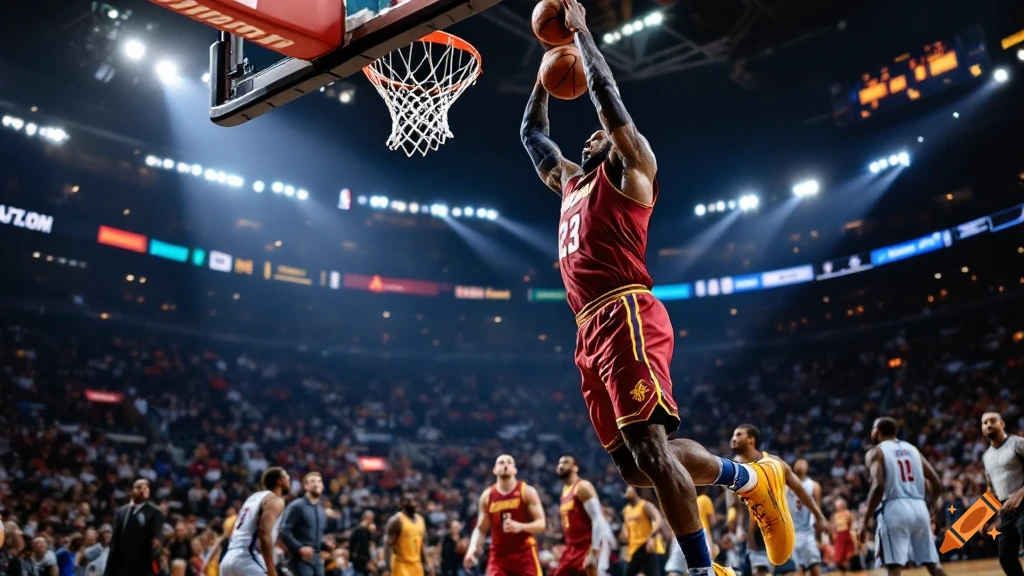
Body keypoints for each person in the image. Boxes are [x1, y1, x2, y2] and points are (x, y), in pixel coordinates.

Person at [519, 2, 791, 574]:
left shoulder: (633, 168)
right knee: (639, 468)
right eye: (589, 136)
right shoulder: (571, 183)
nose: (593, 135)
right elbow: (531, 135)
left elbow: (608, 98)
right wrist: (545, 74)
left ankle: (701, 569)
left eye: (601, 133)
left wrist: (582, 35)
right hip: (587, 328)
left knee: (650, 449)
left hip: (626, 313)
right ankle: (750, 477)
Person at [726, 426, 827, 576]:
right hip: (754, 535)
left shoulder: (774, 463)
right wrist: (738, 528)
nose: (733, 438)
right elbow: (736, 506)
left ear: (751, 440)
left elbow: (800, 491)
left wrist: (820, 517)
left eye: (738, 434)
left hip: (779, 528)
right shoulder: (733, 469)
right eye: (733, 435)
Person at [863, 417, 946, 576]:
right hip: (920, 508)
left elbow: (878, 486)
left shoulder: (876, 452)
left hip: (894, 508)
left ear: (876, 431)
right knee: (933, 565)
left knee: (894, 568)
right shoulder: (913, 449)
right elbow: (935, 481)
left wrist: (866, 517)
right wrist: (934, 510)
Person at [463, 455, 546, 576]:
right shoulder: (487, 496)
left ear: (514, 469)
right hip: (499, 555)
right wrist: (471, 550)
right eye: (501, 462)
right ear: (495, 469)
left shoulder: (527, 491)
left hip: (524, 553)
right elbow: (481, 529)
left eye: (509, 462)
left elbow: (541, 524)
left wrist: (520, 526)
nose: (505, 464)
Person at [220, 466, 289, 576]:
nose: (289, 478)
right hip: (247, 558)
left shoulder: (253, 498)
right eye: (286, 476)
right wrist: (271, 569)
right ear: (279, 481)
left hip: (228, 558)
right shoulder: (275, 501)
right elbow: (264, 533)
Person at [553, 455, 613, 576]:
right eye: (559, 463)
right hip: (571, 548)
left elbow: (598, 519)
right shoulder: (565, 490)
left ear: (575, 467)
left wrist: (594, 551)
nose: (560, 466)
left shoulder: (582, 487)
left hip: (587, 546)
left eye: (565, 463)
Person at [981, 412, 1024, 576]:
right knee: (1006, 558)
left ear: (1002, 424)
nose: (988, 425)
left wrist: (1021, 492)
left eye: (992, 421)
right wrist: (983, 518)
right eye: (984, 423)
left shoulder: (1017, 443)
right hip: (1006, 510)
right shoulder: (986, 456)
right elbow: (991, 490)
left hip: (1023, 504)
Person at [280, 472, 340, 576]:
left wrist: (325, 545)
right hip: (299, 559)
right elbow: (284, 530)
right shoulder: (297, 506)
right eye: (312, 481)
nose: (316, 484)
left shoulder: (321, 510)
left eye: (319, 481)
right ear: (306, 486)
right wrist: (299, 548)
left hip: (317, 560)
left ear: (322, 487)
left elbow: (314, 538)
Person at [104, 478, 165, 576]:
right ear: (131, 491)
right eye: (139, 487)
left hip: (142, 568)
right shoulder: (120, 512)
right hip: (120, 567)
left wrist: (157, 542)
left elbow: (157, 537)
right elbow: (115, 543)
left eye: (146, 487)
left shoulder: (155, 512)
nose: (143, 490)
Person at [666, 488, 715, 576]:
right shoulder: (704, 499)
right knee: (703, 570)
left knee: (675, 571)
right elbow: (713, 522)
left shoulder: (680, 500)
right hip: (700, 533)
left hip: (679, 535)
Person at [789, 460, 823, 576]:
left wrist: (819, 536)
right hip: (792, 533)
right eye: (797, 463)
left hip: (808, 532)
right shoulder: (786, 485)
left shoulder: (814, 486)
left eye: (803, 463)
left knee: (814, 568)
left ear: (808, 468)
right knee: (798, 570)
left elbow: (818, 510)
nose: (800, 465)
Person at [620, 487, 663, 576]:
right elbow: (626, 527)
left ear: (635, 492)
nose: (627, 495)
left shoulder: (645, 505)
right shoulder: (626, 510)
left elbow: (658, 519)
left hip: (646, 546)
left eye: (629, 492)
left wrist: (651, 536)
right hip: (633, 549)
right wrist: (624, 537)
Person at [384, 494, 430, 576]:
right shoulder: (396, 520)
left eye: (415, 501)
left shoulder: (421, 520)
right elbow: (387, 544)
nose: (415, 503)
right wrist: (387, 566)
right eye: (411, 501)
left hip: (417, 564)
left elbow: (422, 545)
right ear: (403, 503)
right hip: (401, 564)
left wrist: (425, 563)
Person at [830, 500, 855, 573]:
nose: (838, 507)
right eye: (837, 505)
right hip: (838, 539)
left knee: (847, 559)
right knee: (838, 560)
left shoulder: (848, 514)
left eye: (839, 505)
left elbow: (853, 525)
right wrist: (833, 534)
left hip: (847, 538)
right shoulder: (834, 516)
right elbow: (832, 527)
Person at [349, 512, 375, 576]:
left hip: (363, 558)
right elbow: (353, 544)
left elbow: (370, 544)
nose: (371, 520)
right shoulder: (359, 529)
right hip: (358, 558)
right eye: (369, 518)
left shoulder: (367, 530)